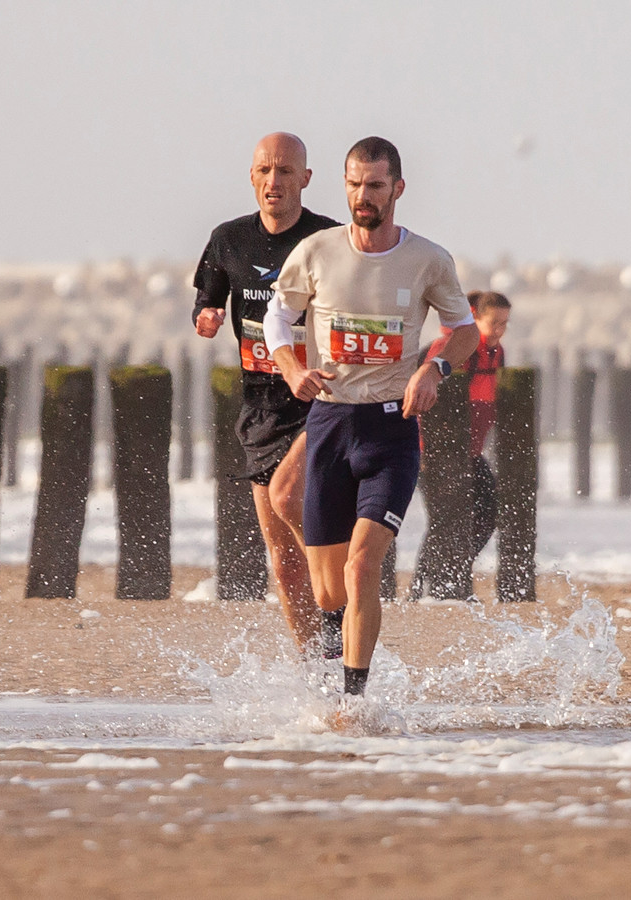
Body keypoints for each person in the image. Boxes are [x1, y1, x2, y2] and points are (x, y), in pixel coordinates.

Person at [265, 136, 480, 699]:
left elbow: (464, 331)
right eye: (356, 184)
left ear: (398, 189)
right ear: (345, 186)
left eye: (376, 185)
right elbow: (276, 320)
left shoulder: (428, 259)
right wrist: (290, 369)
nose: (364, 196)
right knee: (327, 589)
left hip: (390, 431)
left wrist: (433, 372)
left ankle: (352, 700)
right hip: (329, 426)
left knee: (363, 568)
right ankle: (341, 643)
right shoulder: (316, 252)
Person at [192, 132, 342, 656]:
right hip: (261, 403)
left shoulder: (329, 239)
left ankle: (343, 604)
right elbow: (207, 299)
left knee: (288, 498)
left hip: (320, 400)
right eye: (264, 171)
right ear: (251, 177)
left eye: (284, 171)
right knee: (281, 556)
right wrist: (207, 317)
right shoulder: (228, 239)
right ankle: (314, 665)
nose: (273, 181)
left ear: (305, 177)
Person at [409, 290, 511, 599]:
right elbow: (421, 397)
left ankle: (447, 574)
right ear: (474, 319)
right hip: (433, 451)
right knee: (446, 518)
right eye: (493, 323)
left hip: (469, 451)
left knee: (488, 512)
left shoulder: (498, 353)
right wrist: (422, 453)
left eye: (505, 324)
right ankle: (425, 588)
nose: (499, 331)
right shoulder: (449, 351)